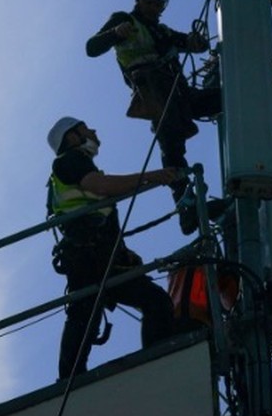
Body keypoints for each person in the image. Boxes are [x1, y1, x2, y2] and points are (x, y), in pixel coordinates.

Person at [86, 0, 221, 234]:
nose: (153, 8)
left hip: (178, 92)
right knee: (171, 141)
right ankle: (185, 204)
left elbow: (191, 44)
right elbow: (92, 47)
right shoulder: (125, 20)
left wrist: (197, 42)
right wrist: (115, 33)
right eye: (149, 2)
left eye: (158, 5)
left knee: (222, 97)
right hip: (153, 91)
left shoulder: (162, 31)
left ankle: (250, 121)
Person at [47, 116, 179, 380]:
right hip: (87, 258)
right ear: (72, 138)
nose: (93, 130)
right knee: (85, 315)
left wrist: (123, 252)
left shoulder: (76, 168)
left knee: (151, 302)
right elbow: (103, 186)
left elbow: (101, 215)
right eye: (85, 128)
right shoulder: (69, 161)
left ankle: (152, 364)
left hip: (101, 258)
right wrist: (154, 176)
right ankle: (69, 383)